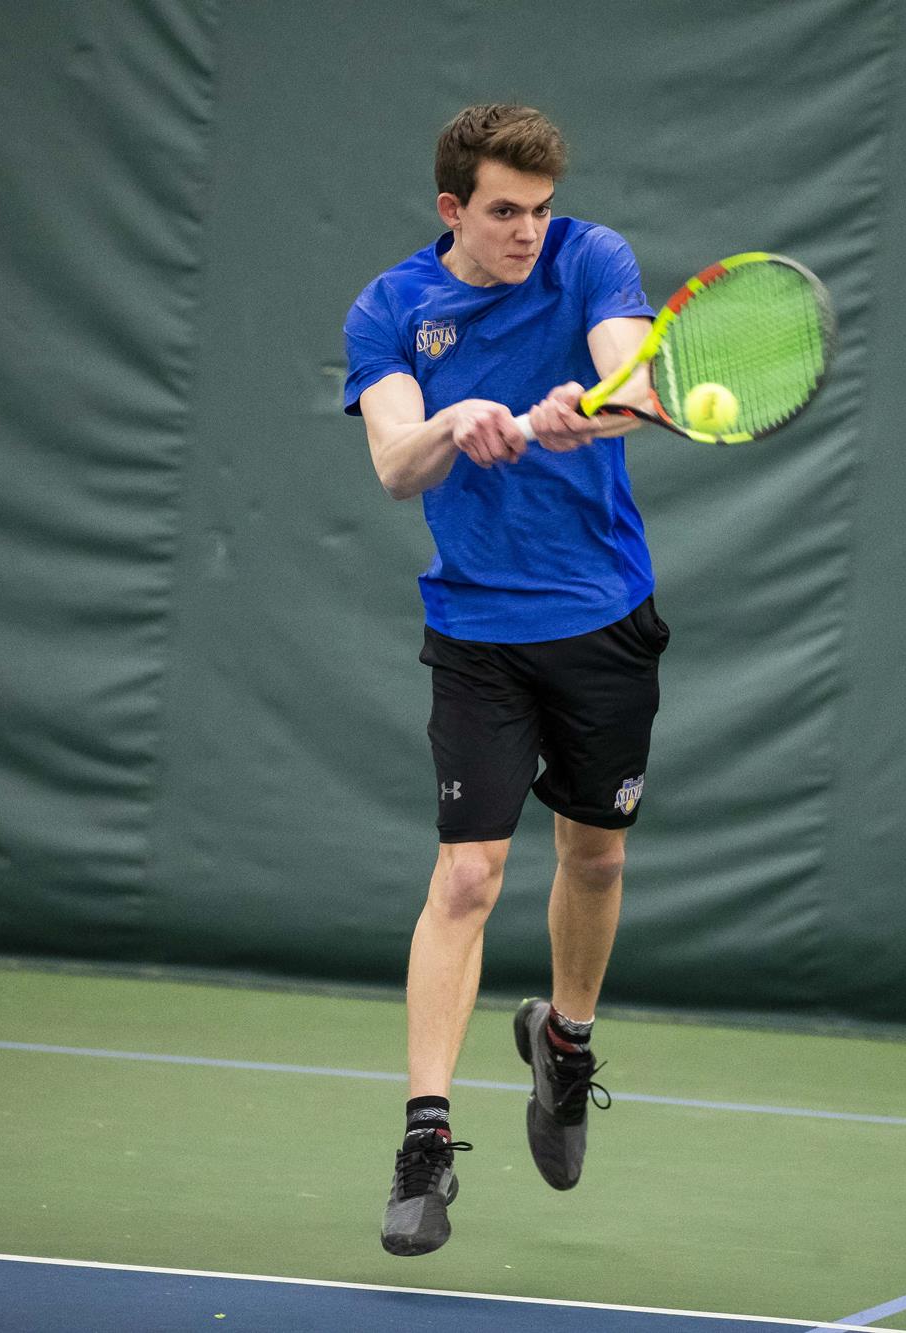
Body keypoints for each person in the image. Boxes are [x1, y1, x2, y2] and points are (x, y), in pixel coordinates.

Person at [342, 104, 670, 1257]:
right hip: (476, 632)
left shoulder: (591, 258)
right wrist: (457, 419)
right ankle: (424, 1143)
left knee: (595, 853)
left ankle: (563, 1043)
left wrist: (582, 410)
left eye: (536, 210)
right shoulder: (390, 309)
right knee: (469, 876)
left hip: (602, 621)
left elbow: (634, 387)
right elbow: (392, 464)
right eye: (501, 214)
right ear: (452, 210)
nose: (526, 232)